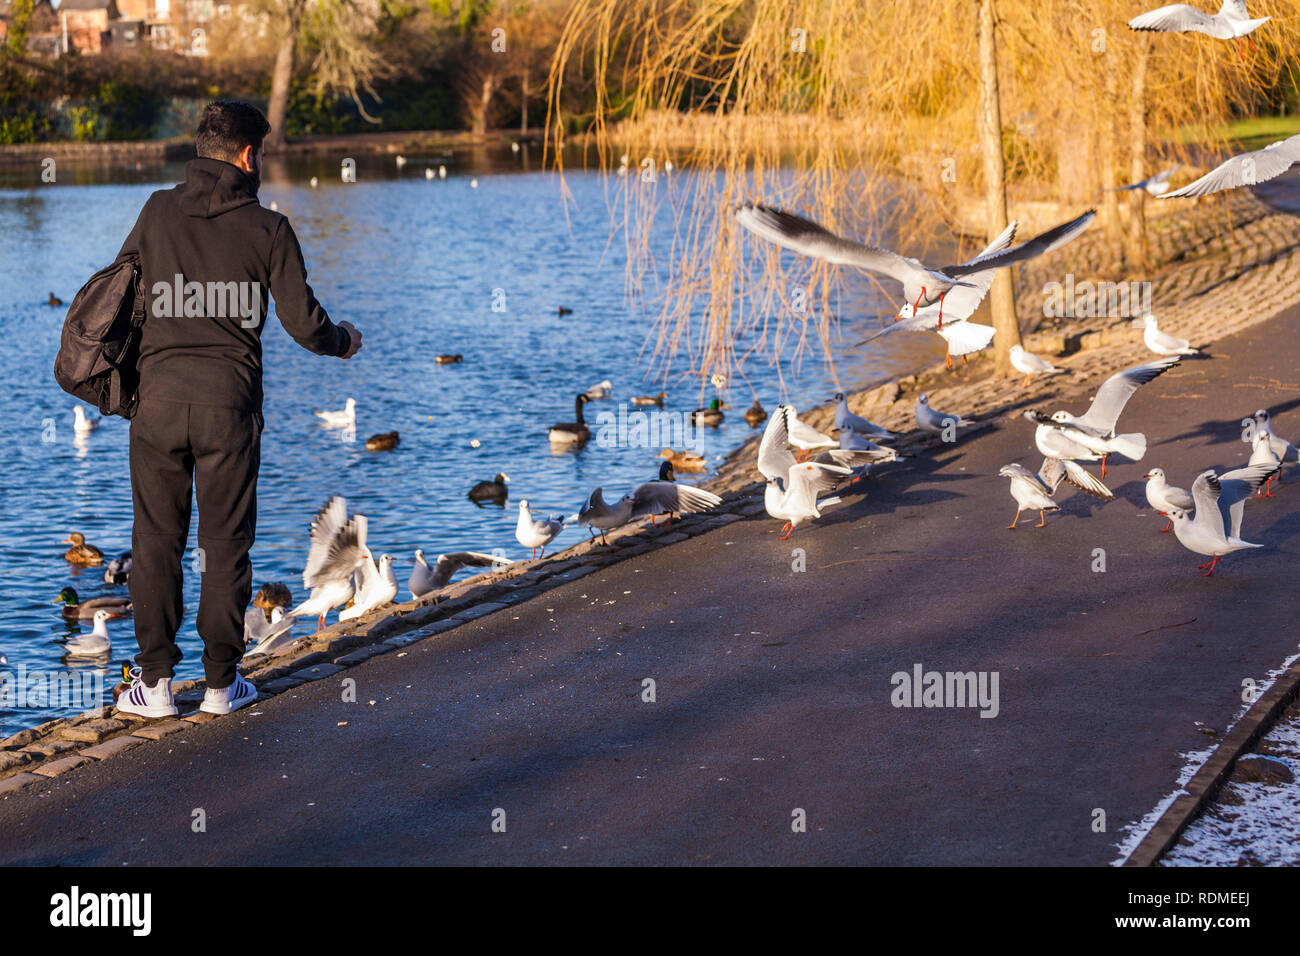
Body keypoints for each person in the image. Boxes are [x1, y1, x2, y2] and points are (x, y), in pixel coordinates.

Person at [114, 101, 362, 719]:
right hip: (229, 407)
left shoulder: (155, 211)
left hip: (158, 404)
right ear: (249, 156)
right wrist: (343, 340)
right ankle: (222, 688)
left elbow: (118, 295)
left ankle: (156, 688)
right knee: (224, 542)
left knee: (156, 540)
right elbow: (305, 326)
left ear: (202, 149)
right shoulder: (267, 229)